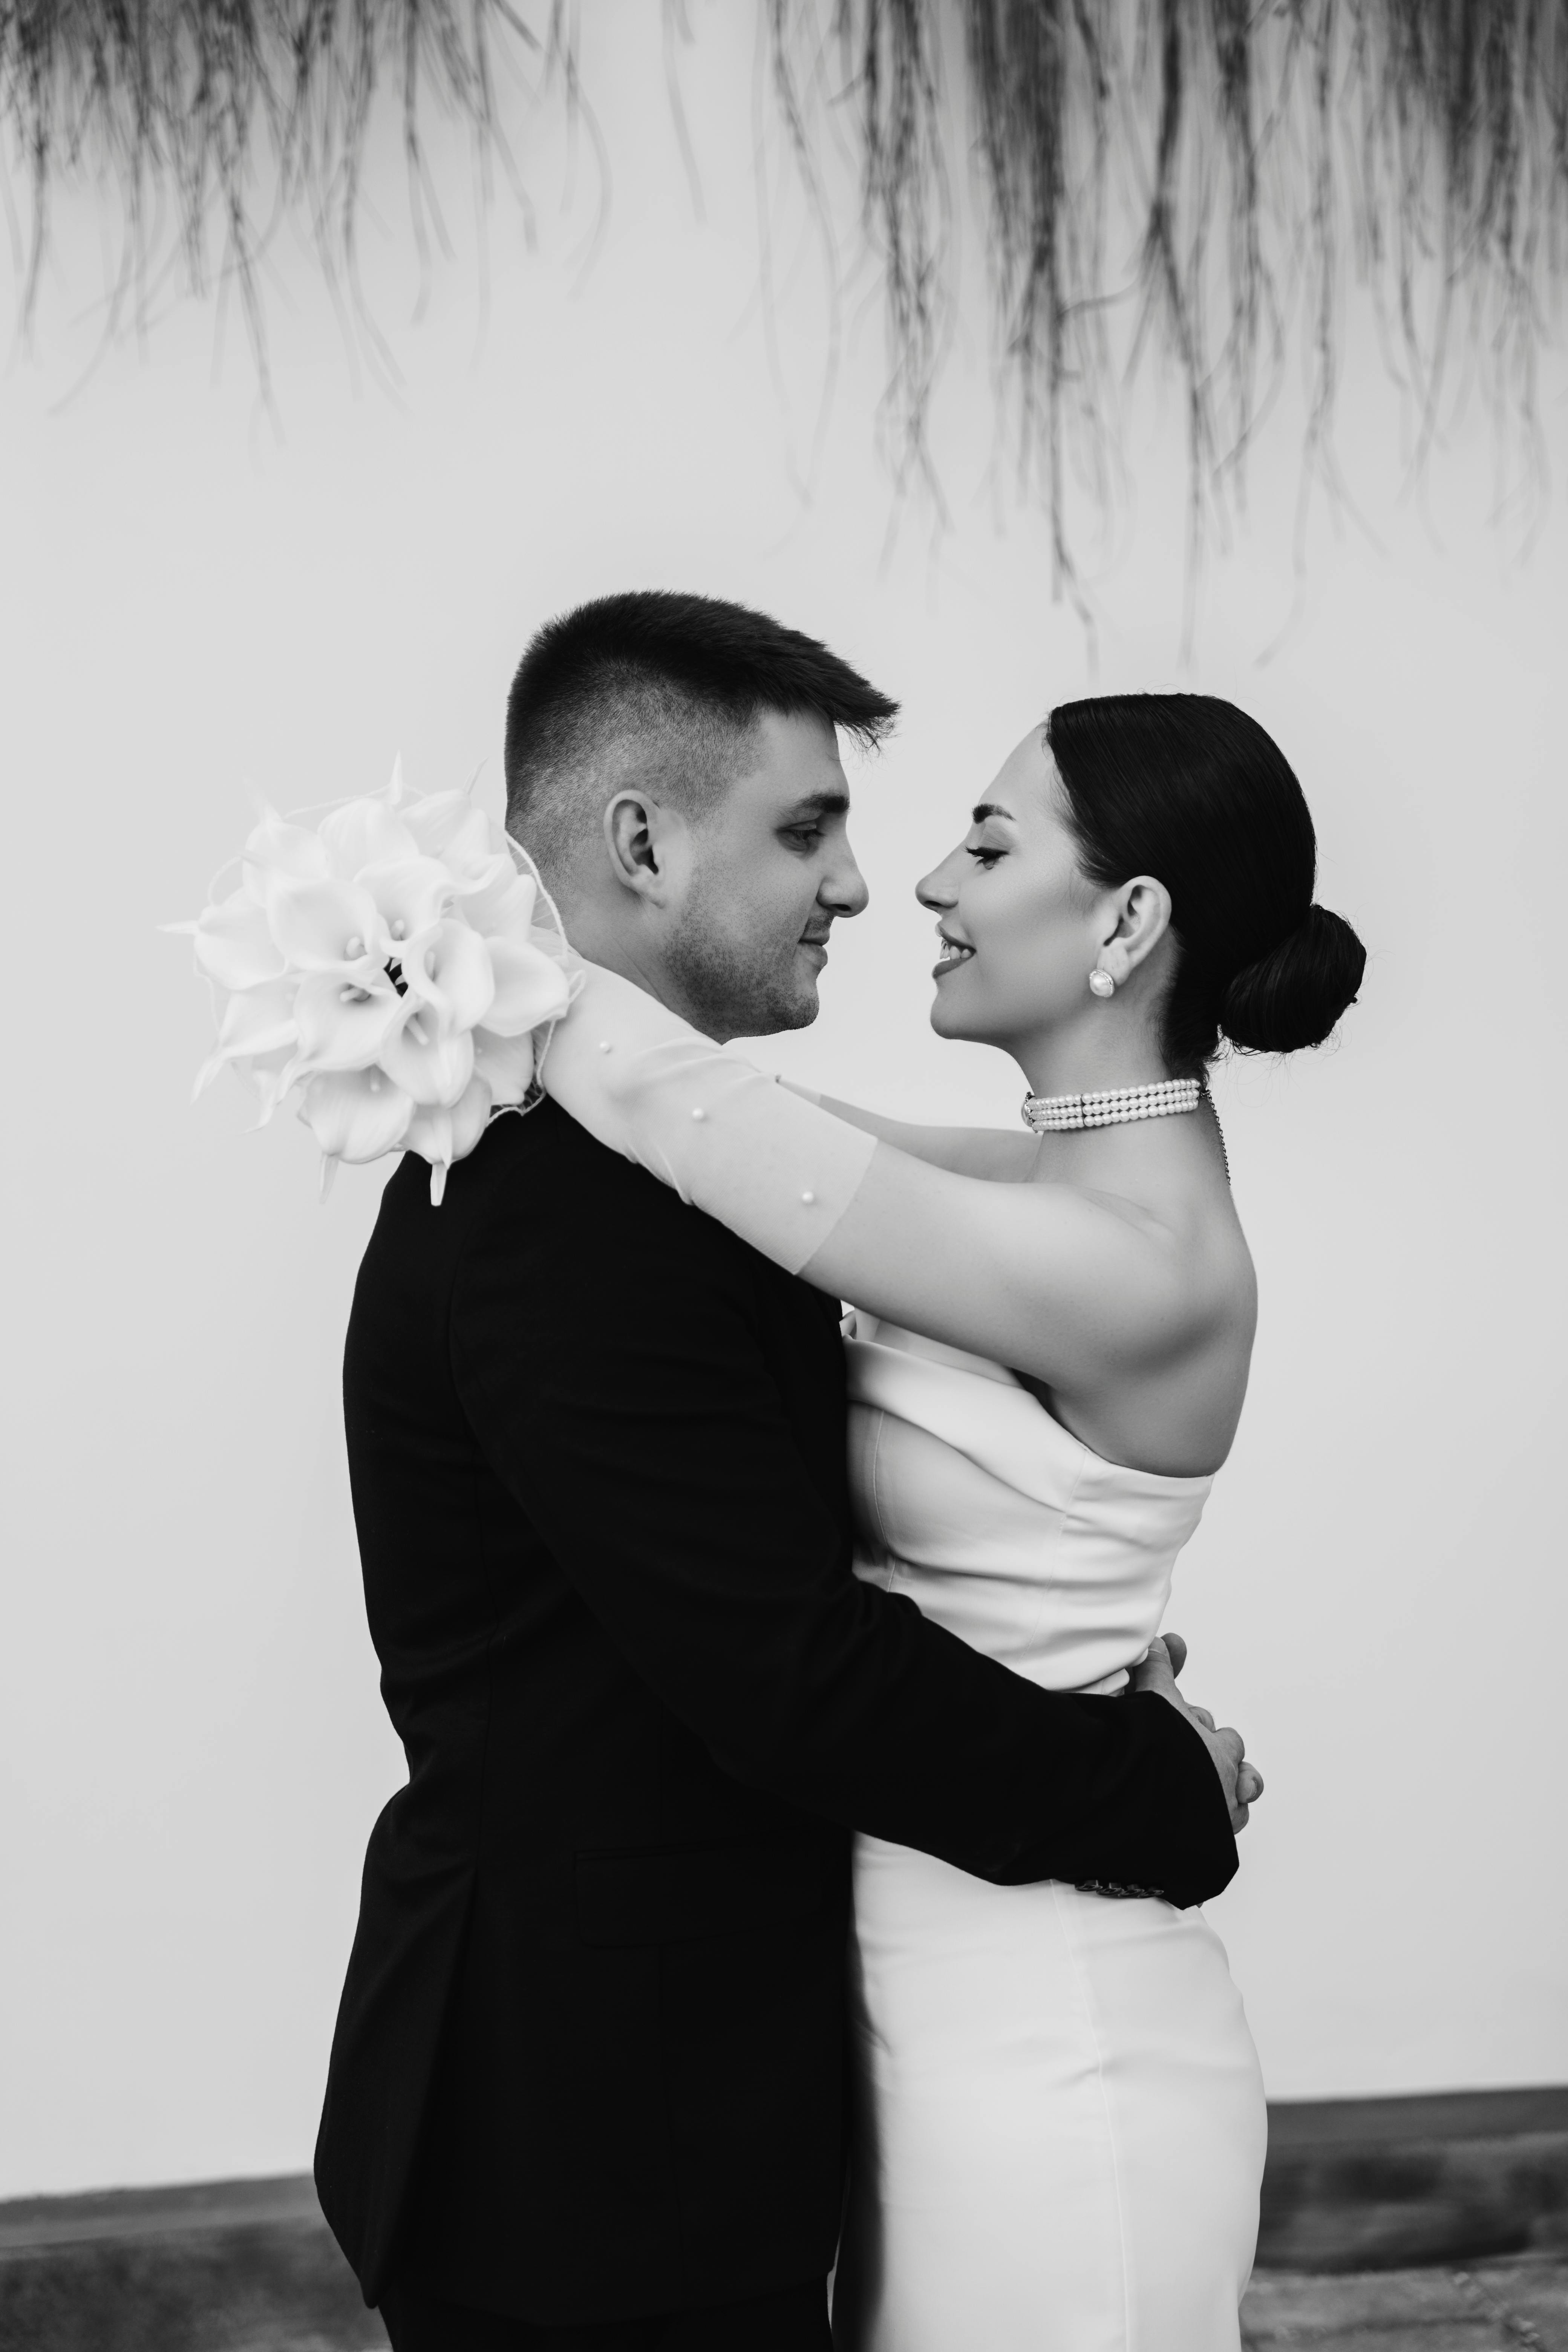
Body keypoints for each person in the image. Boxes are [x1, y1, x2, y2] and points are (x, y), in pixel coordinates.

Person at [313, 593, 1259, 2352]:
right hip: (591, 2137)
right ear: (642, 846)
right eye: (807, 827)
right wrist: (1148, 1778)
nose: (863, 883)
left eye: (961, 838)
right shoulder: (568, 1216)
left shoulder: (704, 1173)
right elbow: (787, 1675)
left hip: (753, 2085)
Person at [534, 683, 1367, 2350]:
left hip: (1050, 2040)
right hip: (908, 1996)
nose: (919, 884)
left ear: (1125, 919)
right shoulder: (1038, 1184)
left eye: (986, 842)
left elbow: (677, 1114)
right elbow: (744, 1128)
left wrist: (441, 942)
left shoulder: (1133, 1265)